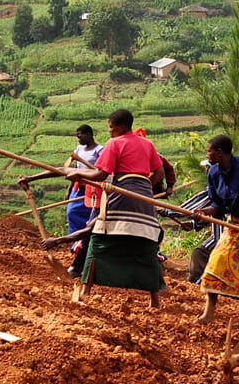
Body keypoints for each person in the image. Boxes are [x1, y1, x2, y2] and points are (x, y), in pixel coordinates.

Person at [44, 108, 166, 309]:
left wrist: (80, 177)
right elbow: (159, 171)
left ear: (122, 127)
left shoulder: (115, 143)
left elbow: (101, 174)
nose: (109, 131)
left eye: (111, 127)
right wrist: (144, 188)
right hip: (143, 197)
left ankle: (86, 290)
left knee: (98, 237)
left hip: (122, 194)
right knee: (147, 242)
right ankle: (155, 301)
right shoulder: (147, 144)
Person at [195, 135, 239, 323]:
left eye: (209, 150)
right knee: (215, 264)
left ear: (220, 153)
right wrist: (204, 211)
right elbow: (218, 205)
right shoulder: (213, 173)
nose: (207, 154)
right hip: (234, 226)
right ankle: (209, 312)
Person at [19, 125, 105, 278]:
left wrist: (57, 241)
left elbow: (96, 174)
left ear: (89, 134)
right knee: (74, 215)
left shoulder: (100, 151)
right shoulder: (79, 150)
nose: (78, 139)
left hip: (97, 191)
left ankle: (83, 259)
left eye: (80, 135)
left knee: (93, 227)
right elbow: (69, 171)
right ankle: (77, 250)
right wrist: (30, 179)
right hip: (81, 189)